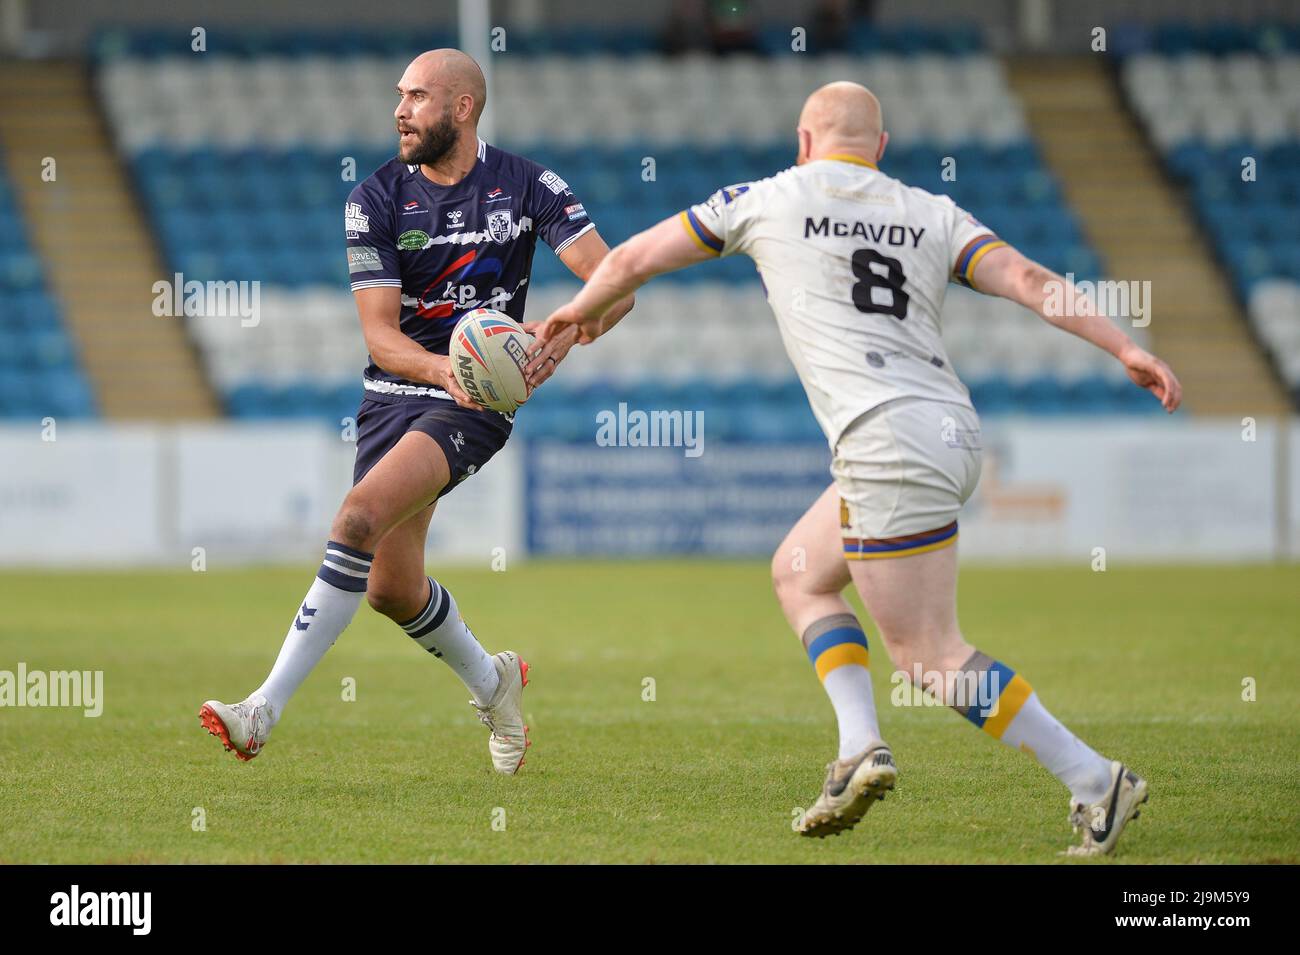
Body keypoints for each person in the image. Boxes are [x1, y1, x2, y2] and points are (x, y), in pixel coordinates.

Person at [535, 81, 1180, 852]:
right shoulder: (931, 211)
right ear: (879, 148)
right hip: (950, 429)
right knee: (800, 572)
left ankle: (1093, 778)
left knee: (929, 655)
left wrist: (578, 309)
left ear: (804, 142)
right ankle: (858, 748)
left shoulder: (766, 196)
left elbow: (637, 255)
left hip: (885, 443)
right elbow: (1032, 282)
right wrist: (1127, 348)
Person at [199, 49, 633, 774]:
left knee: (356, 517)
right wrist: (448, 367)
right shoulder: (372, 198)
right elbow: (379, 336)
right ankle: (495, 682)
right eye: (399, 96)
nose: (400, 110)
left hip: (476, 406)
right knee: (390, 588)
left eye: (418, 97)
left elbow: (615, 283)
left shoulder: (527, 185)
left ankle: (261, 709)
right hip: (400, 390)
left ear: (462, 108)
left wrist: (564, 330)